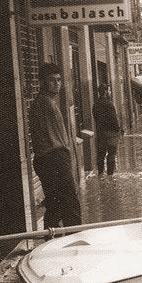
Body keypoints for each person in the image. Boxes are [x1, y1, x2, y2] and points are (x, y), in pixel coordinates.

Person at [29, 63, 82, 229]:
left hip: (47, 158)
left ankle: (52, 239)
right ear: (43, 82)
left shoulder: (43, 103)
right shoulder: (46, 104)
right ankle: (75, 239)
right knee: (69, 203)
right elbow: (57, 141)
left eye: (59, 80)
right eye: (52, 80)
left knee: (55, 204)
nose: (57, 83)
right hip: (54, 157)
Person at [93, 84, 122, 176]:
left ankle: (100, 174)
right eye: (109, 91)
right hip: (111, 134)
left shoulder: (95, 105)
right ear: (105, 91)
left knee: (101, 156)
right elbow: (114, 119)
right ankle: (110, 176)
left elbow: (96, 118)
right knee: (111, 155)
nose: (110, 92)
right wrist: (119, 130)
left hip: (101, 134)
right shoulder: (109, 104)